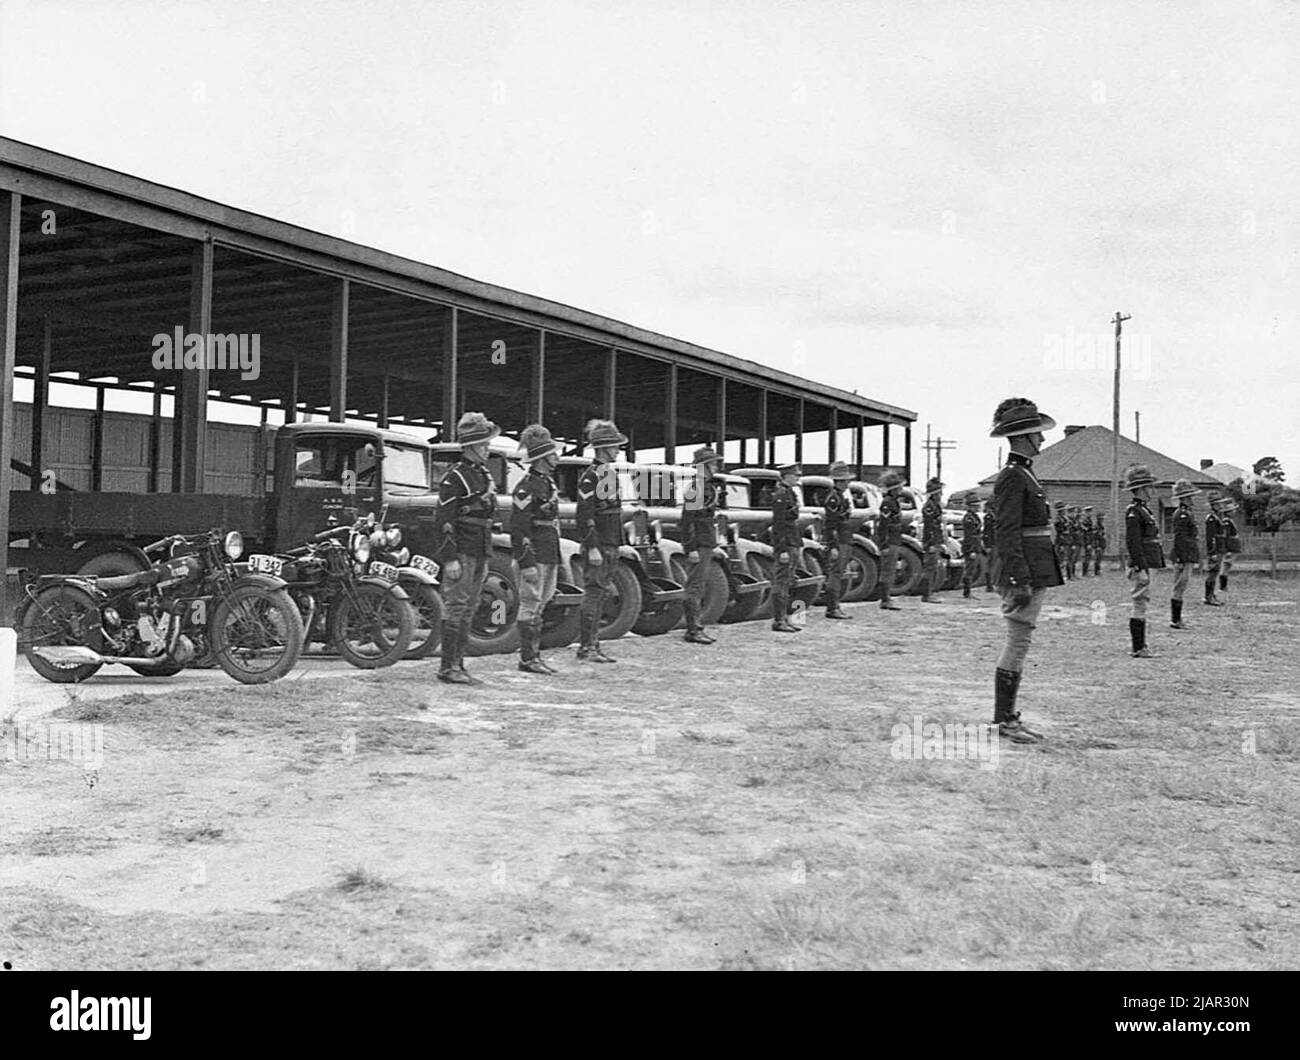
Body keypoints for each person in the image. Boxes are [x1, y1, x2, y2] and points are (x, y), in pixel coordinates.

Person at [989, 397, 1061, 744]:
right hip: (1024, 569)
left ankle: (1007, 717)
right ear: (1025, 437)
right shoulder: (1013, 477)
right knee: (1018, 640)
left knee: (1021, 639)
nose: (1043, 440)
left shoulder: (1024, 473)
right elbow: (1006, 533)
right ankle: (1004, 720)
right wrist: (1018, 578)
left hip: (1033, 565)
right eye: (1038, 434)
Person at [436, 411, 501, 684]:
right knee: (456, 606)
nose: (488, 448)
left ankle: (458, 664)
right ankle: (448, 667)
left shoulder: (482, 474)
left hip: (480, 548)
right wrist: (450, 558)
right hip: (462, 549)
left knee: (470, 607)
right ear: (471, 446)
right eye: (484, 444)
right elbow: (444, 521)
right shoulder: (455, 478)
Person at [511, 424, 563, 674]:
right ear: (542, 458)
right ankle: (527, 658)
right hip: (535, 554)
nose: (557, 457)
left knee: (541, 603)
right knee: (530, 603)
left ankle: (534, 655)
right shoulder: (526, 487)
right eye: (553, 453)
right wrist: (526, 562)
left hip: (549, 551)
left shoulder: (547, 483)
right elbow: (519, 528)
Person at [575, 418, 628, 663]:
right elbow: (586, 515)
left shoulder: (607, 474)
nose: (618, 450)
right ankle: (587, 647)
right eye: (615, 446)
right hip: (599, 544)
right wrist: (593, 546)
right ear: (603, 448)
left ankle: (593, 644)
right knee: (594, 593)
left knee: (600, 593)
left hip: (610, 542)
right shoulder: (592, 476)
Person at [679, 446, 724, 643]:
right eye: (713, 463)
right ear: (704, 466)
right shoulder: (696, 488)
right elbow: (686, 522)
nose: (716, 466)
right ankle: (693, 630)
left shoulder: (705, 487)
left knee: (699, 585)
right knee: (695, 587)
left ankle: (695, 627)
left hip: (705, 542)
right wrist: (691, 548)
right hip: (698, 544)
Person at [1123, 464, 1164, 658]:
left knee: (1143, 602)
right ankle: (1138, 647)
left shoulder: (1144, 510)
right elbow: (1134, 542)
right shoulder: (1134, 511)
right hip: (1143, 563)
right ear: (1140, 489)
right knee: (1139, 603)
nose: (1152, 491)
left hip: (1149, 561)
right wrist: (1140, 566)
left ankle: (1140, 646)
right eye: (1149, 487)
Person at [769, 462, 803, 632]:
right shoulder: (781, 494)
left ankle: (784, 618)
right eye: (795, 474)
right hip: (786, 543)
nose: (798, 477)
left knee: (788, 581)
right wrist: (781, 549)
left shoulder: (789, 493)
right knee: (781, 581)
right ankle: (779, 620)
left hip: (793, 541)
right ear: (786, 476)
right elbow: (779, 524)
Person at [820, 461, 855, 619]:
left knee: (838, 573)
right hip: (838, 540)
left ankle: (835, 606)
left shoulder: (840, 497)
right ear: (839, 481)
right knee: (835, 574)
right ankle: (832, 608)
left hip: (844, 539)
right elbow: (831, 525)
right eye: (846, 480)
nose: (848, 483)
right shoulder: (833, 499)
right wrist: (833, 546)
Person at [1167, 478, 1200, 630]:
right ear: (1185, 498)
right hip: (1184, 553)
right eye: (1191, 496)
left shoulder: (1187, 513)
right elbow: (1179, 536)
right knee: (1180, 585)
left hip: (1188, 552)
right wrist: (1180, 556)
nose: (1193, 499)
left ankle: (1177, 618)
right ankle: (1175, 619)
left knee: (1182, 585)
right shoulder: (1182, 514)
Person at [875, 471, 905, 610]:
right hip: (890, 540)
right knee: (887, 570)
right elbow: (883, 526)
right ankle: (885, 599)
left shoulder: (893, 502)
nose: (901, 490)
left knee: (891, 569)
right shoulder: (887, 503)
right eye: (899, 488)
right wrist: (884, 544)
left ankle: (887, 597)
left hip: (895, 539)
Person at [919, 476, 945, 603]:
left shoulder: (935, 506)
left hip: (936, 540)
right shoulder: (929, 507)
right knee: (929, 568)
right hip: (931, 540)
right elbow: (929, 526)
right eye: (939, 493)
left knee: (933, 567)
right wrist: (930, 543)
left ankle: (929, 593)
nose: (941, 495)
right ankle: (926, 594)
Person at [1216, 496, 1242, 599]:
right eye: (1232, 510)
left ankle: (1224, 586)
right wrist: (1227, 550)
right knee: (1225, 566)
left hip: (1233, 546)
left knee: (1227, 566)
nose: (1234, 511)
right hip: (1230, 547)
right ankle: (1222, 586)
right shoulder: (1227, 521)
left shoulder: (1229, 520)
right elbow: (1226, 536)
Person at [1203, 491, 1226, 606]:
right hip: (1215, 549)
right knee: (1212, 572)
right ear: (1214, 505)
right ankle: (1208, 596)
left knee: (1215, 572)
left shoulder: (1218, 517)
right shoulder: (1211, 518)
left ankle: (1211, 594)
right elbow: (1210, 536)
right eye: (1219, 503)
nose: (1221, 505)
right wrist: (1212, 551)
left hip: (1219, 548)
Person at [960, 494, 984, 598]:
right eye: (976, 505)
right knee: (969, 569)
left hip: (975, 545)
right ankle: (967, 592)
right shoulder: (969, 518)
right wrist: (971, 550)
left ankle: (968, 591)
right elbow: (969, 536)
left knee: (972, 569)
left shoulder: (974, 517)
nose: (978, 507)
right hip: (971, 546)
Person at [1053, 501, 1071, 580]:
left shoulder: (1064, 518)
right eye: (1064, 510)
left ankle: (1063, 573)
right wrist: (1061, 544)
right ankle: (1059, 575)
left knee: (1064, 557)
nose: (1065, 511)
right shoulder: (1058, 519)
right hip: (1061, 540)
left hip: (1066, 539)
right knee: (1060, 558)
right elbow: (1060, 531)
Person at [982, 502, 997, 592]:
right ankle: (989, 584)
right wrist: (987, 544)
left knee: (995, 564)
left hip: (996, 542)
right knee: (991, 564)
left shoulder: (995, 516)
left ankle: (992, 583)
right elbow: (987, 532)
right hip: (992, 543)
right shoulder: (989, 517)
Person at [1079, 506, 1095, 577]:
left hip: (1089, 539)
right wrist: (1088, 543)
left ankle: (1086, 571)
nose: (1090, 513)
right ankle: (1085, 572)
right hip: (1087, 540)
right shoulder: (1085, 521)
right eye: (1089, 512)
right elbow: (1086, 533)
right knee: (1087, 556)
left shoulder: (1089, 520)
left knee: (1088, 556)